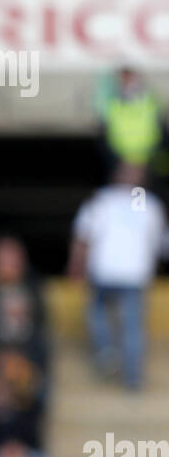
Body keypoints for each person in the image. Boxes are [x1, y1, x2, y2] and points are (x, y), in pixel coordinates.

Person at [68, 162, 167, 392]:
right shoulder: (148, 204)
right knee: (130, 324)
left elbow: (82, 238)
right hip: (130, 273)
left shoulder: (102, 201)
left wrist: (76, 266)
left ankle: (108, 355)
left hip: (110, 271)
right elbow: (159, 243)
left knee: (102, 314)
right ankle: (132, 377)